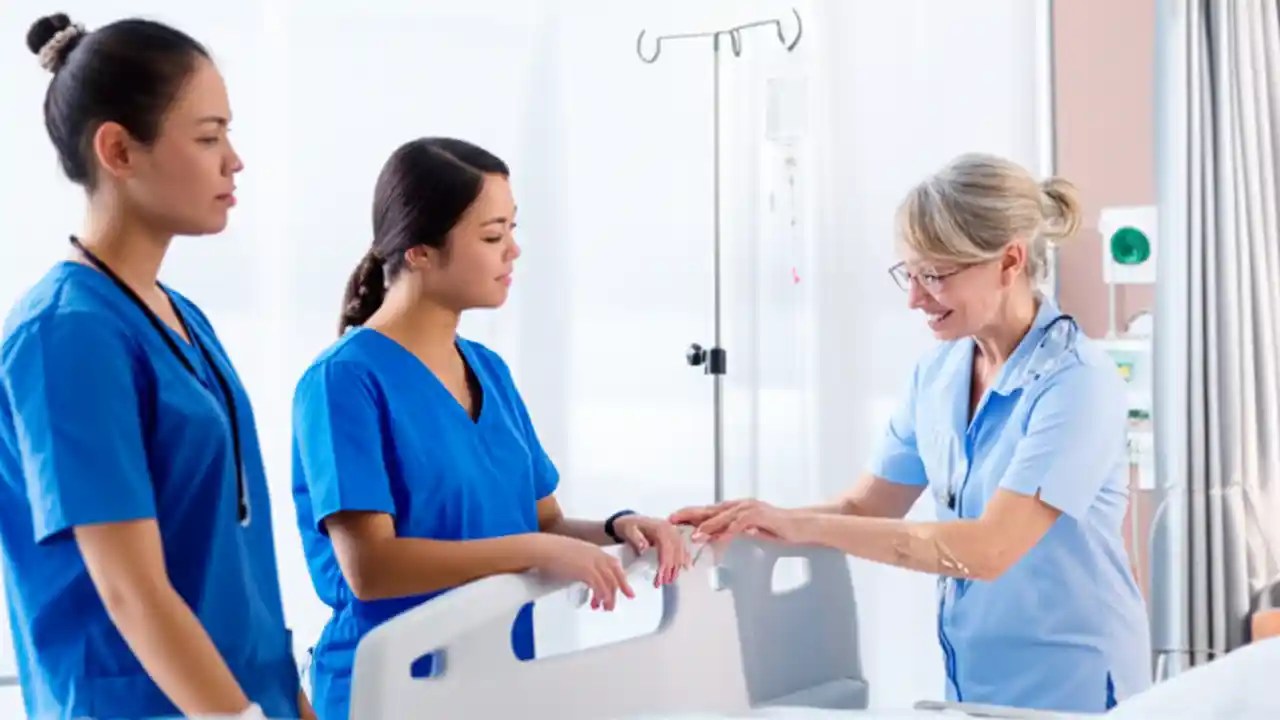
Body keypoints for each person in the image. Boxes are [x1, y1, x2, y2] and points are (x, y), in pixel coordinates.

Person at [672, 153, 1152, 714]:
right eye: (910, 273)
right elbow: (867, 505)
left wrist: (805, 525)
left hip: (1073, 691)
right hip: (973, 686)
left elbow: (990, 548)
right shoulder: (939, 374)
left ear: (1009, 261)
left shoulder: (1076, 383)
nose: (914, 298)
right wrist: (758, 523)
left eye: (935, 275)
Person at [291, 137, 691, 720]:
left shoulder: (488, 371)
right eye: (492, 236)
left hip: (496, 686)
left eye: (512, 230)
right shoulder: (343, 382)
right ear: (421, 251)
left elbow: (544, 521)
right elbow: (372, 569)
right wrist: (533, 550)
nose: (514, 251)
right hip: (385, 693)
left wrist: (621, 528)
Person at [0, 14, 313, 720]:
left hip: (246, 697)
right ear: (117, 149)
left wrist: (287, 698)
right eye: (208, 137)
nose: (234, 160)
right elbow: (129, 590)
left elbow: (229, 556)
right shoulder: (65, 335)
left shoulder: (181, 319)